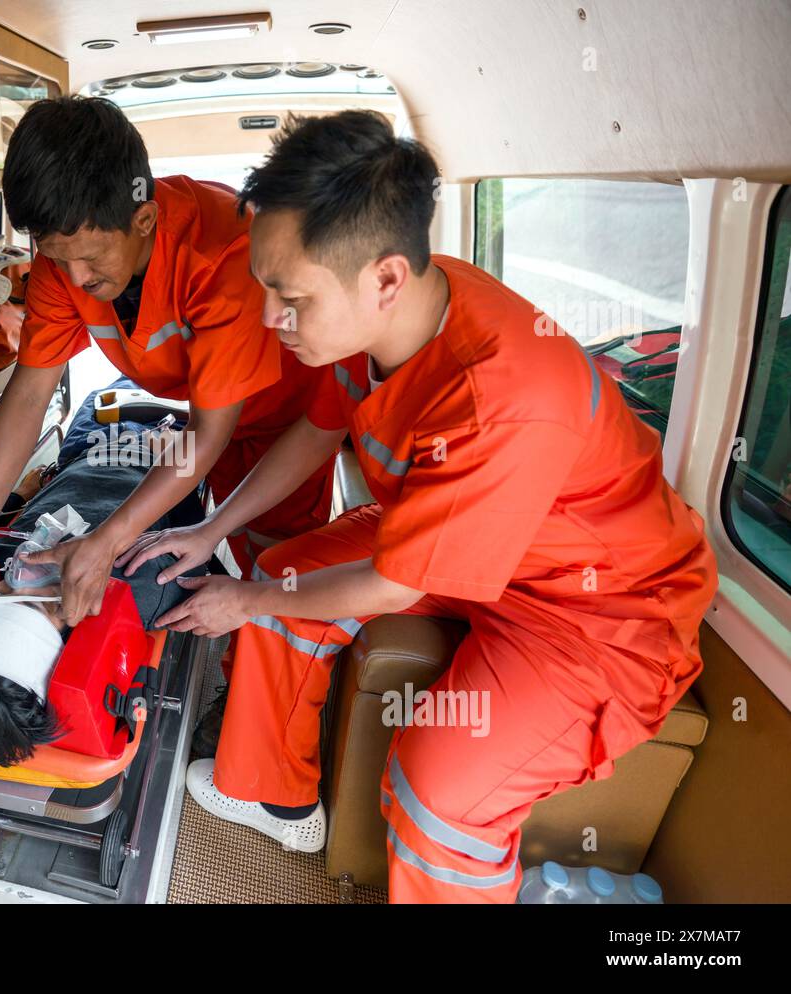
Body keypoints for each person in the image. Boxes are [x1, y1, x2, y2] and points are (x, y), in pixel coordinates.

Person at [121, 111, 717, 899]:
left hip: (597, 613)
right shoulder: (386, 326)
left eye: (288, 297)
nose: (270, 319)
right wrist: (212, 529)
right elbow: (318, 427)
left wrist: (245, 597)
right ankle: (272, 793)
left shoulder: (504, 394)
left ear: (387, 278)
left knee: (438, 797)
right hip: (469, 548)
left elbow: (395, 585)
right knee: (282, 574)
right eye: (265, 289)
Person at [0, 97, 335, 641]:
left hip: (289, 420)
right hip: (206, 419)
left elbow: (208, 434)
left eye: (92, 260)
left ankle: (274, 669)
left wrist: (110, 540)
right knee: (222, 537)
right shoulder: (63, 261)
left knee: (277, 571)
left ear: (144, 219)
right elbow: (29, 394)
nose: (75, 278)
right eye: (57, 257)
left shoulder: (221, 256)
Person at [0, 396, 208, 767]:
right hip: (160, 459)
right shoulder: (146, 586)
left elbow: (28, 401)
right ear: (67, 620)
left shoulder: (3, 550)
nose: (25, 573)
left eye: (2, 591)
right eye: (37, 601)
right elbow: (205, 438)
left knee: (107, 393)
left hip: (83, 445)